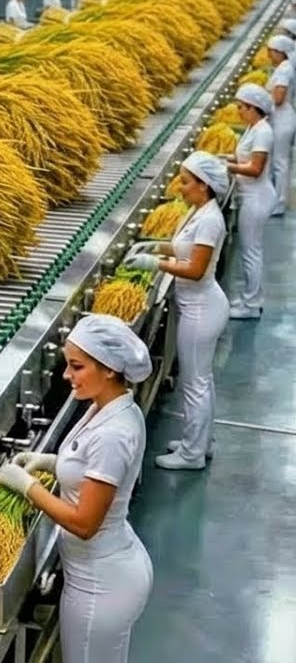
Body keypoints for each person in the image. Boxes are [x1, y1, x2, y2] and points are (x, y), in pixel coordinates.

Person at [0, 314, 153, 663]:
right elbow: (94, 469)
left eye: (76, 367)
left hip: (100, 586)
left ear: (109, 368)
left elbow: (84, 524)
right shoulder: (108, 407)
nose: (66, 376)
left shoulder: (114, 433)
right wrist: (50, 463)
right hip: (112, 564)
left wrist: (28, 488)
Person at [124, 152, 230, 470]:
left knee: (195, 382)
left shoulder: (210, 220)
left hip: (202, 309)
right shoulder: (200, 212)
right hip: (199, 305)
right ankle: (199, 442)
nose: (180, 187)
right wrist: (155, 246)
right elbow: (186, 247)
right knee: (201, 379)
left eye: (185, 182)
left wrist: (155, 263)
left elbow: (196, 269)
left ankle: (192, 455)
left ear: (203, 184)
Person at [223, 83, 275, 320]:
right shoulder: (252, 128)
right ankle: (250, 298)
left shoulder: (263, 132)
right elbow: (242, 157)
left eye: (242, 107)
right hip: (250, 195)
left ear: (254, 108)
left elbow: (255, 169)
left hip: (256, 198)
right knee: (250, 250)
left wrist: (226, 167)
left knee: (251, 252)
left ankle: (251, 305)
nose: (238, 110)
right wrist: (223, 158)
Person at [265, 35, 295, 215]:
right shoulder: (284, 68)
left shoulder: (284, 71)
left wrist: (260, 99)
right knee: (280, 161)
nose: (269, 55)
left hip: (283, 119)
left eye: (271, 51)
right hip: (282, 118)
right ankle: (276, 201)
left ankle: (279, 203)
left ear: (280, 52)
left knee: (280, 163)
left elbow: (278, 97)